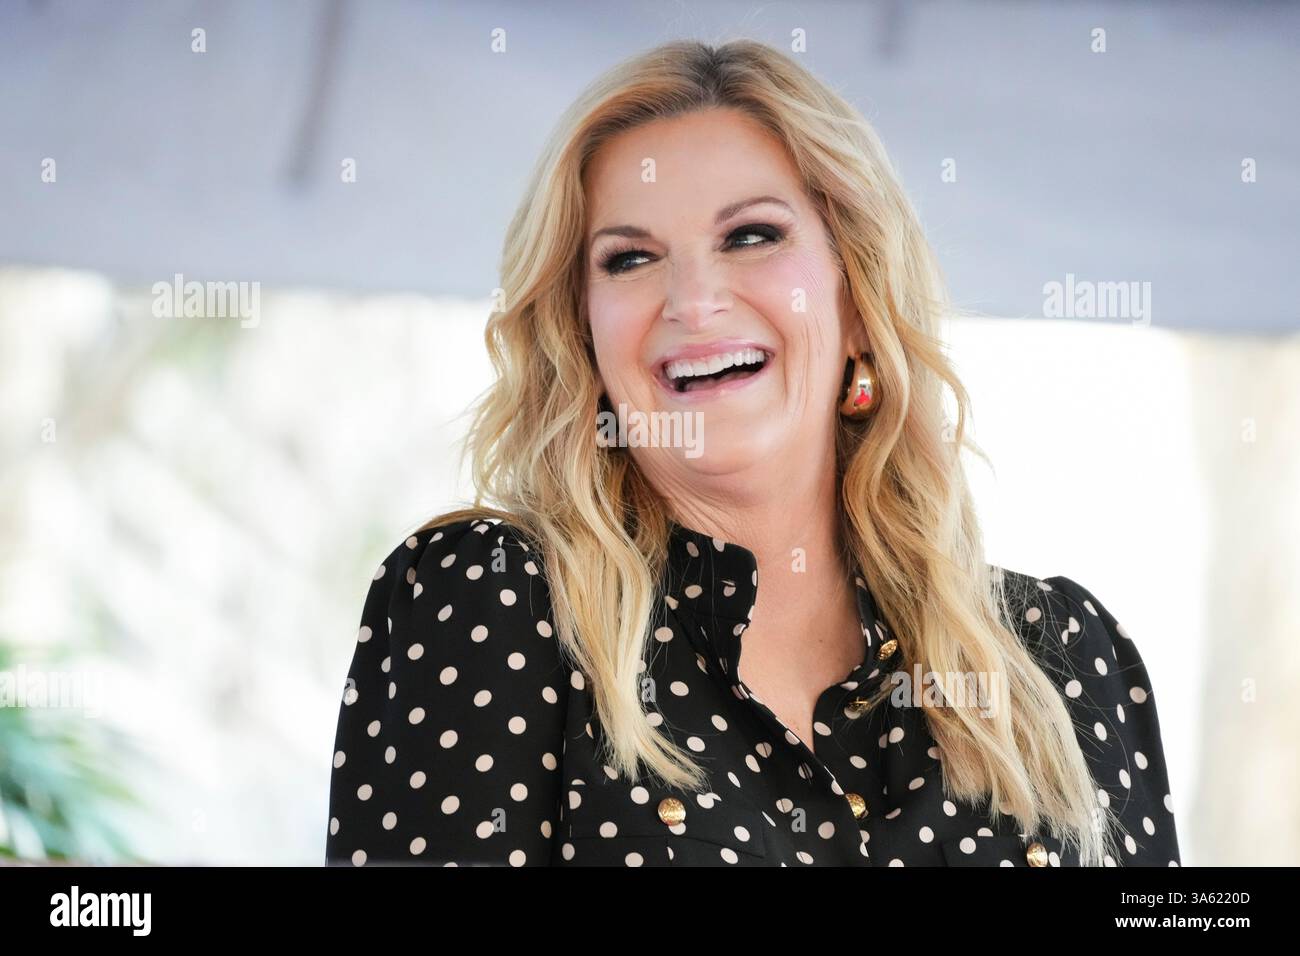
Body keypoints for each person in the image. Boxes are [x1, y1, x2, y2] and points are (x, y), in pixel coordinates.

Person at [325, 39, 1180, 867]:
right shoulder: (497, 600)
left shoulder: (1064, 661)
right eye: (630, 257)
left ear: (857, 294)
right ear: (580, 333)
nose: (694, 301)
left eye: (751, 237)